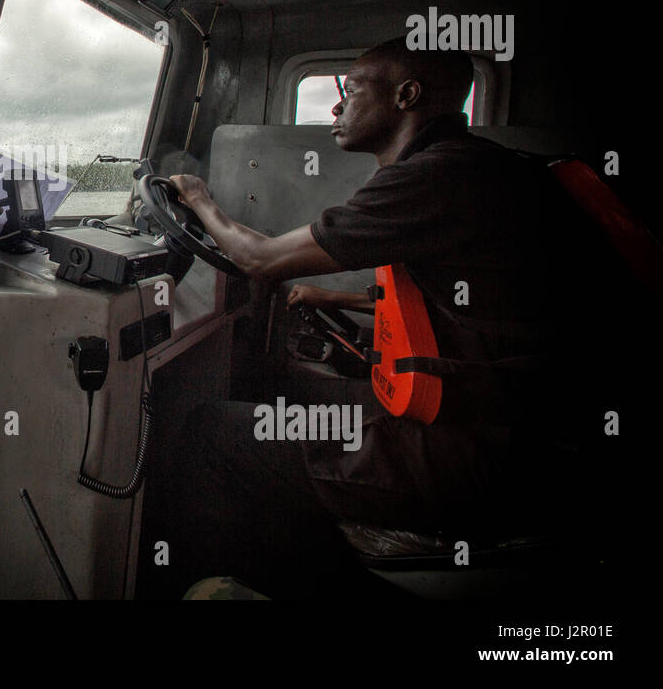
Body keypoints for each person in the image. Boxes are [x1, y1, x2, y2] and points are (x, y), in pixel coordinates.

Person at [142, 38, 625, 599]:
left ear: (407, 95)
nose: (336, 107)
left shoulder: (435, 176)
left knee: (216, 435)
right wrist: (330, 299)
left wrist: (198, 198)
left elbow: (261, 260)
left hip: (497, 451)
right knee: (281, 401)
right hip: (523, 426)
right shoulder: (475, 167)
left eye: (351, 90)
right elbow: (452, 299)